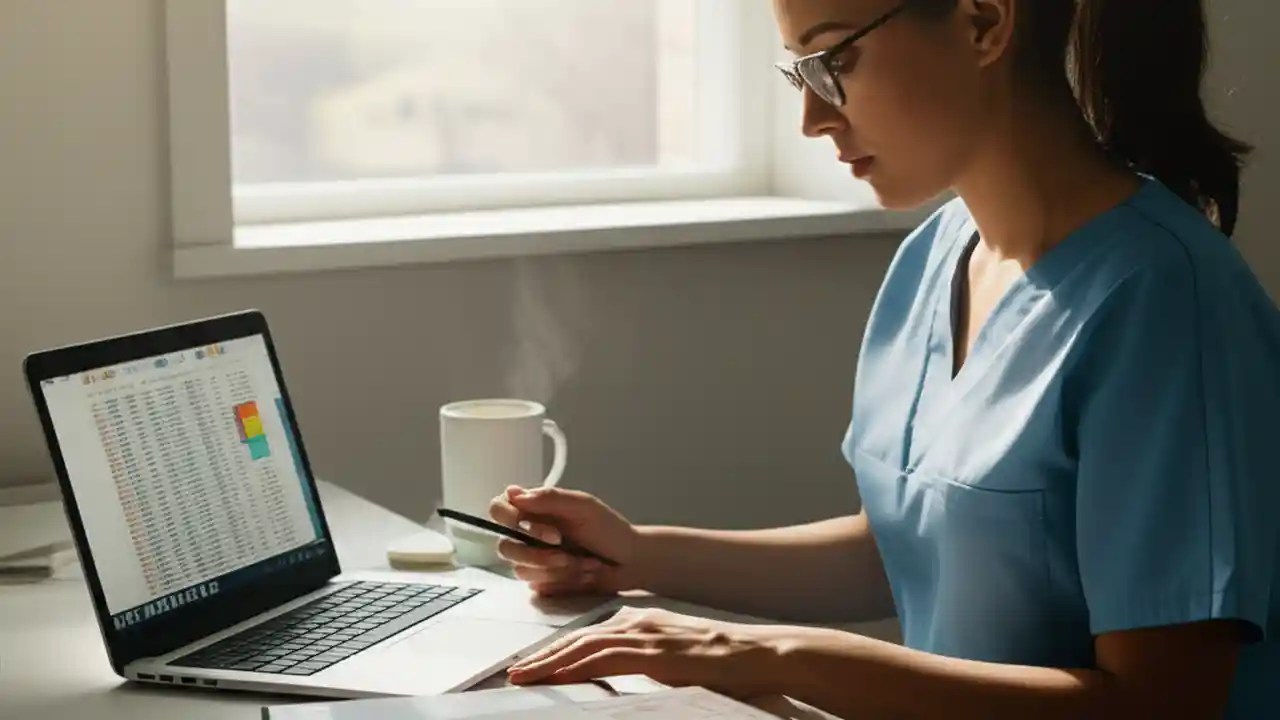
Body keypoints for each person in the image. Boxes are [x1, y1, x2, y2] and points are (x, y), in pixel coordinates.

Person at [487, 1, 1280, 716]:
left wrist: (779, 656)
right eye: (798, 70)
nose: (809, 118)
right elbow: (912, 543)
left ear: (982, 21)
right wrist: (636, 556)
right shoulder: (936, 257)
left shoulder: (1165, 303)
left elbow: (1161, 705)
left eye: (835, 61)